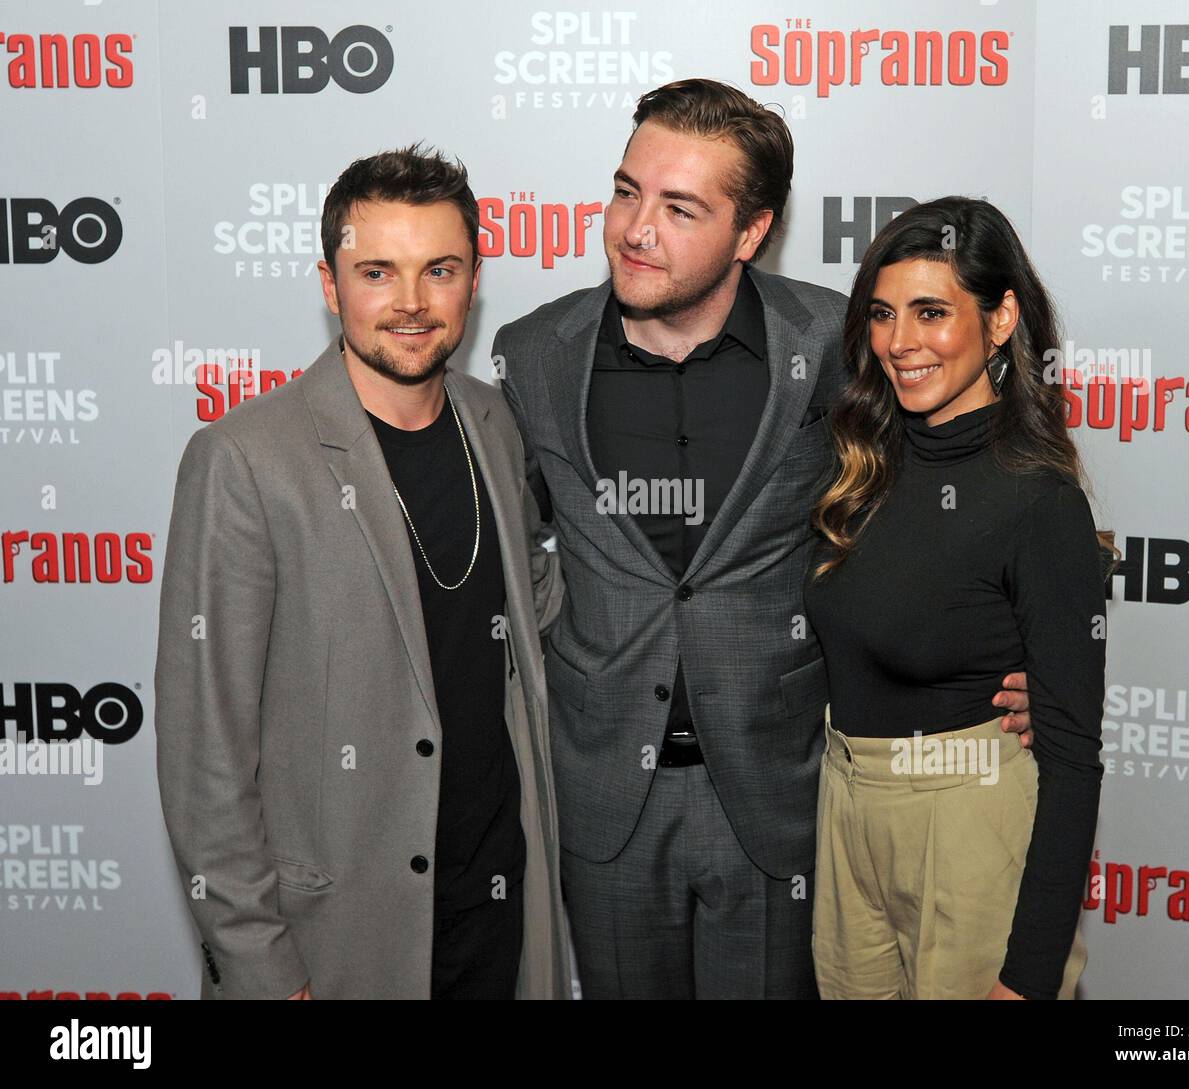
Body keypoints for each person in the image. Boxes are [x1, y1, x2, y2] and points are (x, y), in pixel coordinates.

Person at [495, 80, 1036, 999]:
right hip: (604, 800)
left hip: (778, 792)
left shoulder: (833, 338)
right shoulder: (534, 354)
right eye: (627, 190)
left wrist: (1029, 653)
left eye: (679, 208)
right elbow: (511, 551)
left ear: (750, 232)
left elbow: (957, 491)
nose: (634, 228)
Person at [153, 145, 569, 999]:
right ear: (329, 282)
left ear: (474, 279)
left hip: (495, 908)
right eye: (377, 271)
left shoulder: (493, 422)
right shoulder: (244, 458)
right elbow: (205, 753)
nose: (412, 303)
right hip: (337, 939)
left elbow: (528, 608)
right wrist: (260, 967)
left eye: (439, 270)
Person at [805, 196, 1114, 999]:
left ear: (1002, 316)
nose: (899, 343)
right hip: (846, 811)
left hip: (969, 821)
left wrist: (1031, 974)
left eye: (932, 312)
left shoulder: (1038, 501)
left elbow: (1075, 761)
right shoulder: (858, 463)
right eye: (882, 314)